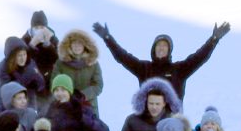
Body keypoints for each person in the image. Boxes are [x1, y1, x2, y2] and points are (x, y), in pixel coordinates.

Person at [91, 22, 230, 99]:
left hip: (173, 120)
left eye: (165, 46)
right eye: (158, 45)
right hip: (148, 119)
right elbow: (122, 57)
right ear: (153, 49)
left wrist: (213, 40)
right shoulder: (143, 68)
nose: (161, 48)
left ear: (169, 51)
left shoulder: (179, 70)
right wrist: (107, 39)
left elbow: (199, 57)